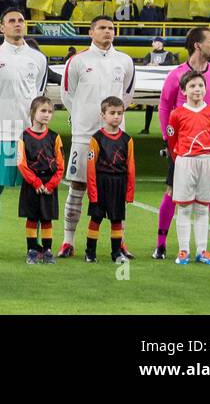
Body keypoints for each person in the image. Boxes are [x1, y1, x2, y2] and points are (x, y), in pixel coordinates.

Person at [154, 27, 210, 260]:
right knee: (172, 192)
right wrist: (167, 137)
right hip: (182, 147)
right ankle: (161, 245)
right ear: (198, 45)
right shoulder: (176, 75)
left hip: (209, 147)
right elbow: (164, 106)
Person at [0, 7, 49, 259]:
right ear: (2, 28)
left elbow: (37, 95)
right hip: (1, 133)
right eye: (12, 21)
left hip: (31, 135)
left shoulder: (38, 59)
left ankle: (35, 244)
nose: (17, 24)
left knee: (35, 189)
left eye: (21, 20)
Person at [58, 17, 134, 259]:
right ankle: (68, 241)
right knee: (78, 186)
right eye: (102, 28)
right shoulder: (77, 61)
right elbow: (67, 95)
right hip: (85, 134)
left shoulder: (125, 61)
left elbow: (127, 95)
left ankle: (119, 242)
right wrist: (82, 118)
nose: (107, 32)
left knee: (117, 187)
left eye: (111, 28)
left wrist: (113, 121)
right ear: (91, 32)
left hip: (115, 137)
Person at [167, 69, 210, 265]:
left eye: (200, 85)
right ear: (183, 91)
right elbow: (172, 140)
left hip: (207, 161)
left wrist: (208, 155)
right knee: (184, 207)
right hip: (185, 161)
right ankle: (183, 251)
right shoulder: (177, 114)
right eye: (192, 86)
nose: (197, 89)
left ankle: (202, 250)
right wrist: (181, 157)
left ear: (205, 89)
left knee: (202, 207)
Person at [85, 96, 134, 264]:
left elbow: (131, 167)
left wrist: (129, 192)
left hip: (119, 184)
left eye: (119, 113)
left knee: (116, 220)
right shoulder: (96, 139)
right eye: (112, 113)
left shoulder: (127, 140)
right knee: (96, 218)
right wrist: (92, 191)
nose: (116, 117)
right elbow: (91, 167)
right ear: (103, 115)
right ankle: (90, 252)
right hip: (100, 182)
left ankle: (116, 252)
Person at [17, 96, 64, 265]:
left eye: (50, 111)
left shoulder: (54, 137)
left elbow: (60, 165)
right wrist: (36, 183)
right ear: (33, 112)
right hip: (32, 184)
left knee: (47, 218)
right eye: (43, 111)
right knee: (32, 218)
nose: (47, 115)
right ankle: (32, 250)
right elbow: (21, 163)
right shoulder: (24, 137)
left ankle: (47, 250)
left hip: (49, 184)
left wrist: (50, 185)